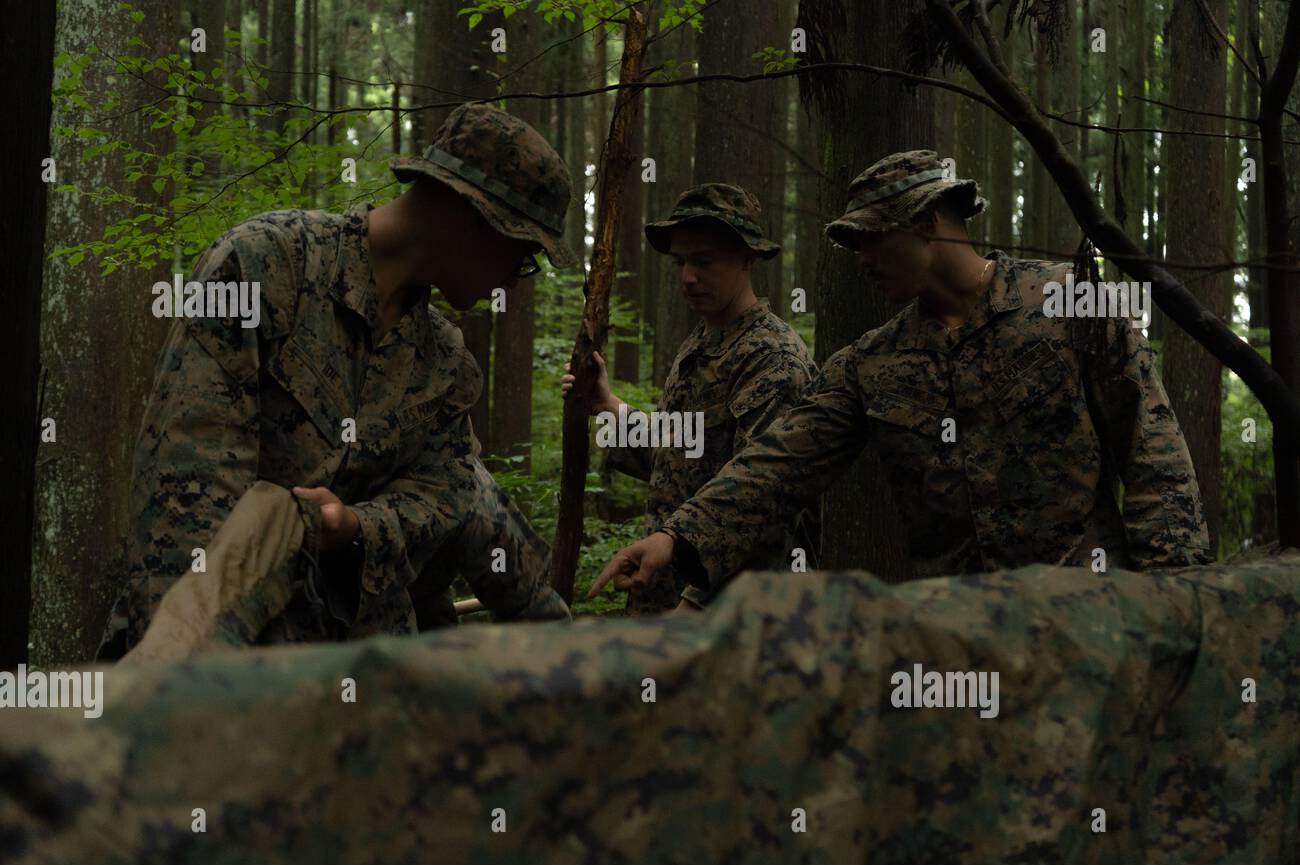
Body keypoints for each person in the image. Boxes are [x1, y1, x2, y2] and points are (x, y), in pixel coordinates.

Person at [590, 149, 1210, 603]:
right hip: (956, 638)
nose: (861, 262)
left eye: (870, 240)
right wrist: (678, 536)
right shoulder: (871, 364)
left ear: (926, 222)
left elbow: (1153, 454)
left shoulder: (1070, 303)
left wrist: (1177, 600)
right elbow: (775, 465)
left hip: (1091, 616)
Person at [101, 103, 574, 657]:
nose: (514, 282)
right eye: (520, 257)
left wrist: (354, 527)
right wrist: (189, 688)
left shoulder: (446, 360)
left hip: (358, 679)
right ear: (475, 219)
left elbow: (445, 500)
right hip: (218, 662)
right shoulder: (264, 267)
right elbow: (183, 502)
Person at [562, 184, 817, 613]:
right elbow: (681, 455)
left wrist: (697, 604)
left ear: (746, 259)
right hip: (664, 595)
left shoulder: (773, 359)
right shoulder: (701, 343)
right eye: (679, 262)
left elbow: (763, 500)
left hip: (728, 615)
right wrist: (611, 409)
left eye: (703, 262)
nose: (687, 277)